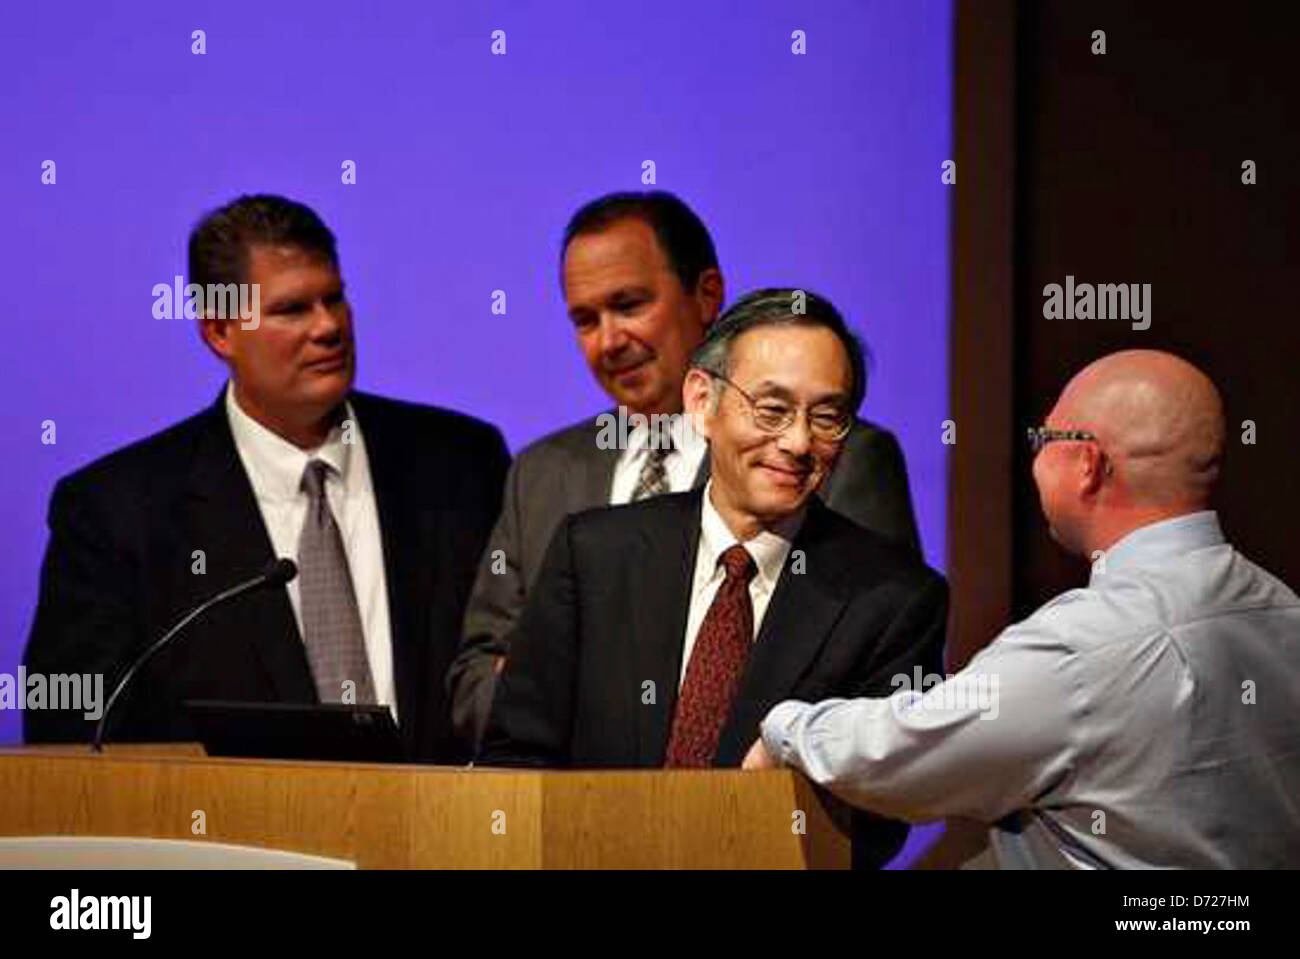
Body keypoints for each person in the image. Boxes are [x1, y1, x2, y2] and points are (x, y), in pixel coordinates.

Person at [746, 349, 1300, 869]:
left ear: (1087, 464)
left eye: (1045, 437)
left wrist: (785, 726)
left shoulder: (1082, 646)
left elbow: (904, 754)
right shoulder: (1284, 612)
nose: (1035, 457)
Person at [24, 194, 509, 762]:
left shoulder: (461, 464)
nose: (328, 326)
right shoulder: (117, 513)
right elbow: (71, 735)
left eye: (335, 298)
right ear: (219, 332)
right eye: (292, 310)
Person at [481, 289, 948, 868]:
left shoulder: (894, 598)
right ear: (702, 402)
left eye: (826, 417)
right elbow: (517, 760)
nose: (799, 442)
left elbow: (880, 814)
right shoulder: (595, 553)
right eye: (772, 410)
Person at [449, 191, 922, 751]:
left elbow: (867, 686)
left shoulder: (833, 460)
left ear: (706, 294)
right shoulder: (542, 473)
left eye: (629, 305)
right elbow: (475, 683)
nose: (609, 340)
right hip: (576, 821)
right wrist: (587, 694)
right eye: (585, 319)